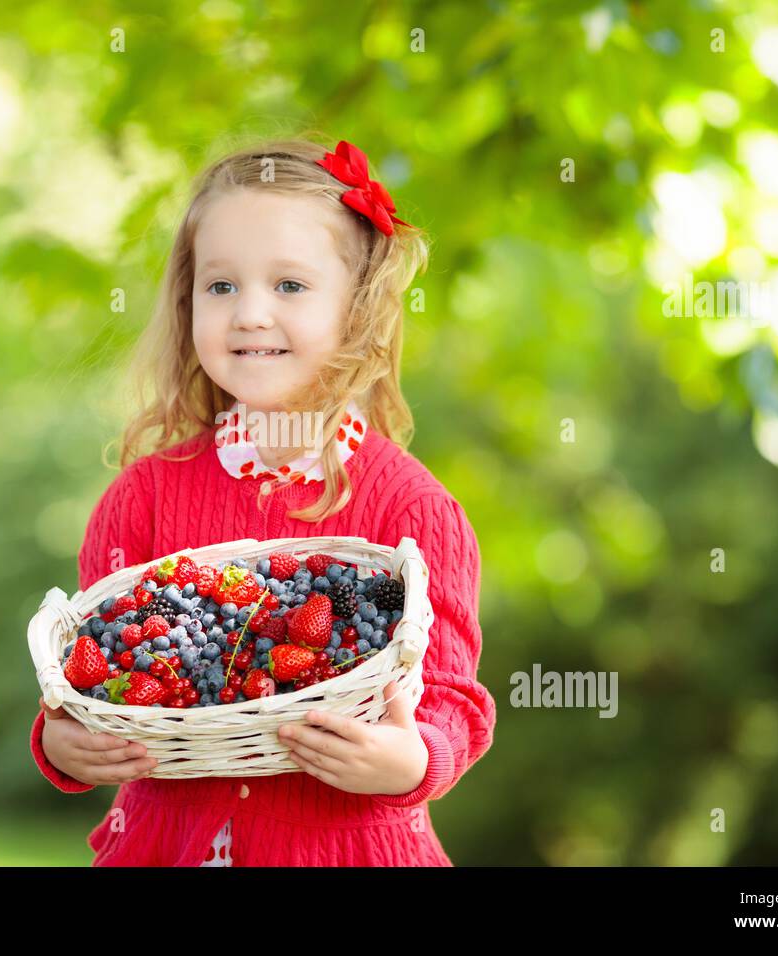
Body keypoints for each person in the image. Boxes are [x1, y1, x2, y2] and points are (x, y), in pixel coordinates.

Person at [30, 136, 497, 866]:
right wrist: (61, 741)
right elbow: (97, 666)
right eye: (221, 286)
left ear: (360, 311)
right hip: (166, 847)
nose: (249, 314)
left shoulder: (411, 509)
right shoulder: (143, 498)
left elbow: (448, 700)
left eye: (289, 286)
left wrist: (411, 761)